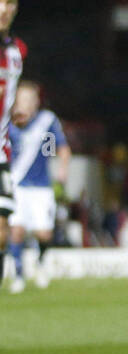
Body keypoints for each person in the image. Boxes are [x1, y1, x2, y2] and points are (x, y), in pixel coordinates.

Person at [7, 82, 70, 292]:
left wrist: (62, 168)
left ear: (36, 102)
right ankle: (18, 276)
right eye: (21, 99)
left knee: (44, 233)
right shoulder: (7, 122)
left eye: (28, 99)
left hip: (41, 185)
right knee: (16, 231)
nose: (24, 104)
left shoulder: (47, 121)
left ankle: (41, 264)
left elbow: (56, 148)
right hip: (17, 184)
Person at [0, 0, 27, 285]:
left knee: (2, 233)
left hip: (1, 154)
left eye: (9, 2)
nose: (4, 9)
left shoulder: (17, 52)